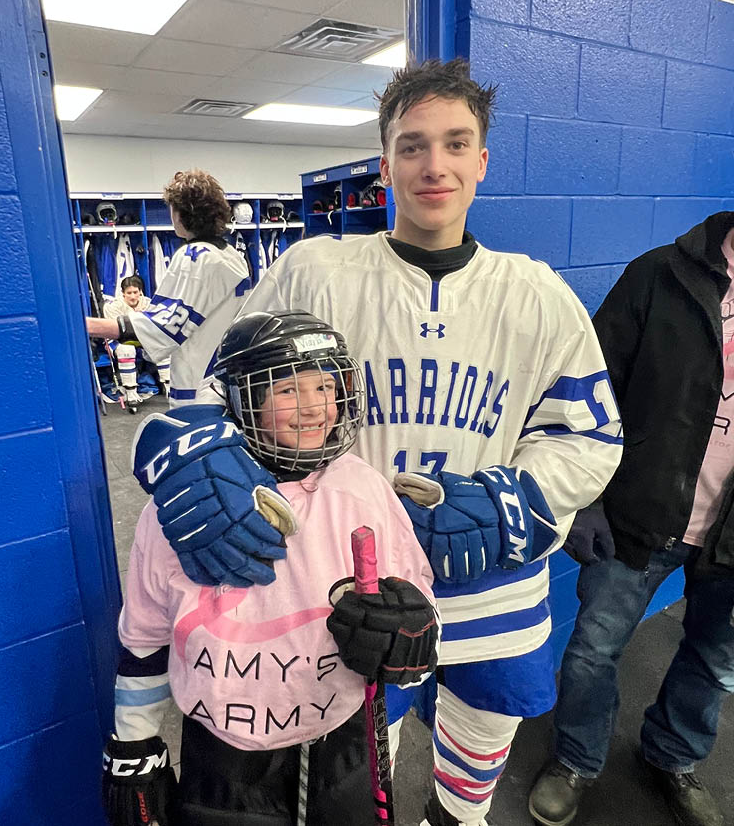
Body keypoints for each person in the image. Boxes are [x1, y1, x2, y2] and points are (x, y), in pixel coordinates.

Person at [131, 58, 623, 826]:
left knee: (468, 795)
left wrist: (514, 502)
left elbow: (589, 434)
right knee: (360, 784)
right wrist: (185, 455)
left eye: (457, 144)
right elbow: (212, 389)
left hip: (493, 597)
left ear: (482, 160)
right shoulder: (314, 269)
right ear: (385, 161)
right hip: (345, 602)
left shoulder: (539, 292)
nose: (436, 164)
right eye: (414, 144)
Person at [101, 309, 438, 826]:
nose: (314, 407)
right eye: (286, 390)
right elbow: (146, 637)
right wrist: (134, 741)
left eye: (326, 386)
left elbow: (413, 599)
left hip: (342, 739)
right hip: (224, 759)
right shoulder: (184, 508)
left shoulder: (361, 486)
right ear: (240, 399)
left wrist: (407, 633)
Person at [529, 211, 734, 826]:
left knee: (715, 659)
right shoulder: (660, 276)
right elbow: (587, 392)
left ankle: (673, 756)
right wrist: (586, 500)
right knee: (594, 649)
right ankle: (575, 759)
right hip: (641, 513)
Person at [87, 169, 250, 404]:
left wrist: (85, 325)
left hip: (199, 387)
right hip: (225, 379)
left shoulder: (196, 256)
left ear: (183, 213)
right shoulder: (231, 254)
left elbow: (159, 330)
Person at [99, 275, 170, 411]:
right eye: (129, 293)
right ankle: (131, 392)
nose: (132, 296)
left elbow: (156, 328)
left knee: (164, 347)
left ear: (140, 292)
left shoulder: (149, 304)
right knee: (127, 350)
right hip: (120, 340)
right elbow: (119, 331)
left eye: (135, 292)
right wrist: (138, 319)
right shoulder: (113, 306)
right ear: (123, 293)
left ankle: (168, 387)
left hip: (144, 338)